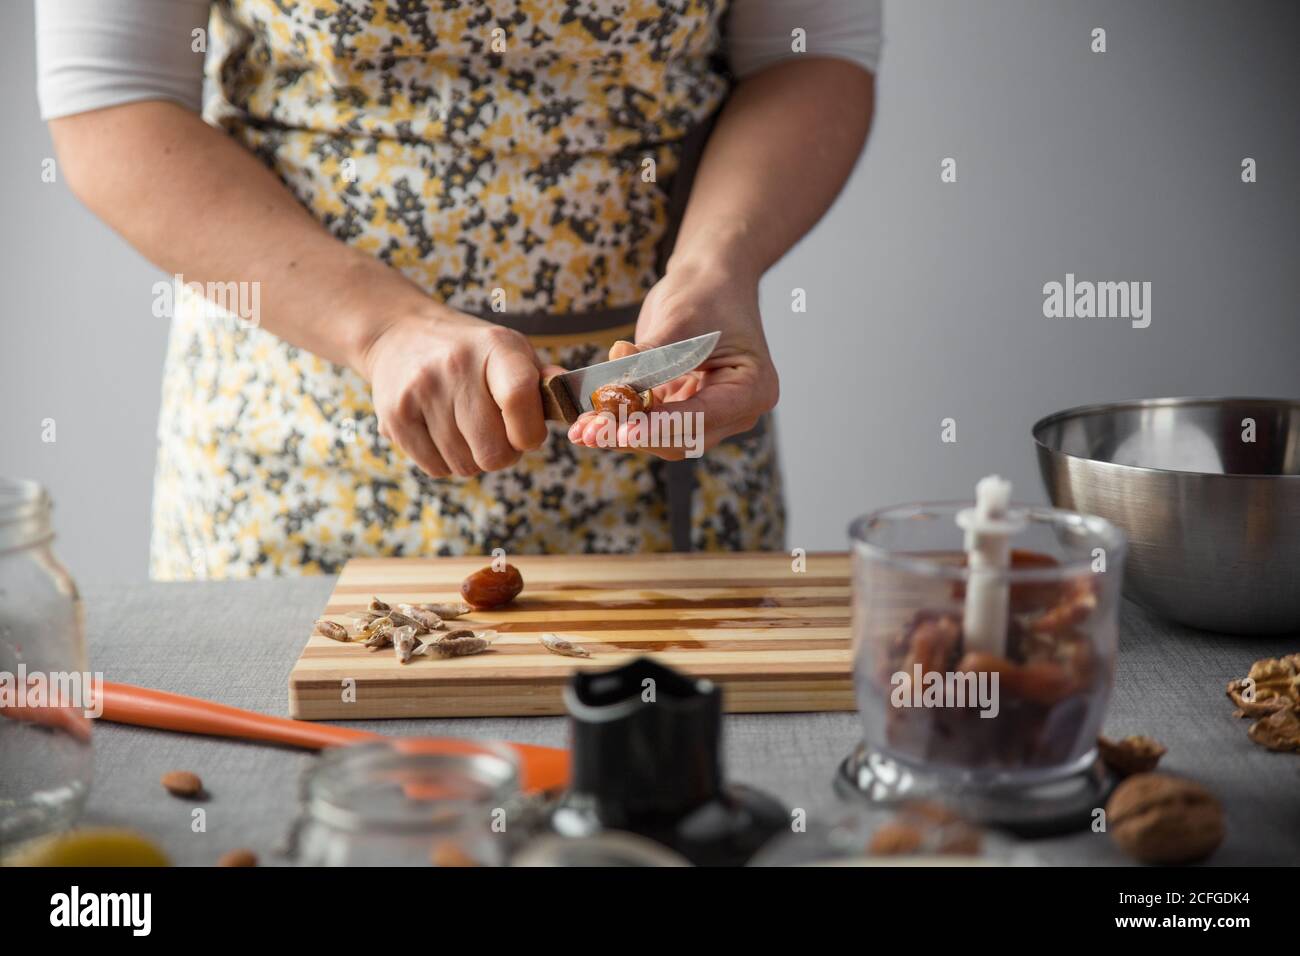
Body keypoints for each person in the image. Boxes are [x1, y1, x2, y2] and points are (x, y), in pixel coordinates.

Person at [37, 0, 880, 578]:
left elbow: (807, 54)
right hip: (294, 447)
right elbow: (110, 97)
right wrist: (380, 329)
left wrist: (715, 269)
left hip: (662, 459)